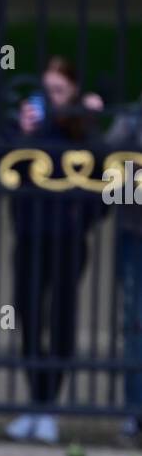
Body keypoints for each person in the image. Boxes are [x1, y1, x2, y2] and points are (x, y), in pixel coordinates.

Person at [7, 56, 103, 444]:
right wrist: (23, 133)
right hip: (30, 237)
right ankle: (35, 401)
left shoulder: (83, 131)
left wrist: (82, 220)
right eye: (47, 90)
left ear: (75, 92)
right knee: (27, 316)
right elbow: (0, 167)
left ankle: (48, 406)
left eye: (60, 91)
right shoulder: (26, 128)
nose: (53, 99)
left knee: (61, 320)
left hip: (67, 241)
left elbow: (108, 183)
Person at [104, 97, 142, 438]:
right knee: (135, 323)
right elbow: (109, 161)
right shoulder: (130, 118)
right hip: (136, 234)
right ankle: (134, 410)